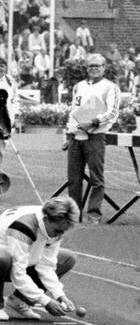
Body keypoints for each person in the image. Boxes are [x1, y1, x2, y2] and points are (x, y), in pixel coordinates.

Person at [0, 197, 80, 320]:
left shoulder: (53, 226)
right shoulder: (23, 225)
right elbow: (17, 272)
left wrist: (60, 295)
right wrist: (45, 301)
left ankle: (18, 301)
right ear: (46, 218)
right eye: (57, 230)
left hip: (19, 261)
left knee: (67, 258)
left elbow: (46, 266)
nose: (59, 235)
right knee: (3, 257)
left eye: (63, 231)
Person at [65, 53, 121, 223]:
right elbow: (73, 112)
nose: (94, 69)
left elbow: (113, 112)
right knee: (74, 179)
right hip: (76, 137)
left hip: (95, 136)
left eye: (97, 66)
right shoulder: (79, 86)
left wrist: (94, 122)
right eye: (91, 66)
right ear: (86, 68)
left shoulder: (110, 87)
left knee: (96, 178)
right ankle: (74, 215)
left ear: (104, 67)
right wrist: (68, 134)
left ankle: (93, 215)